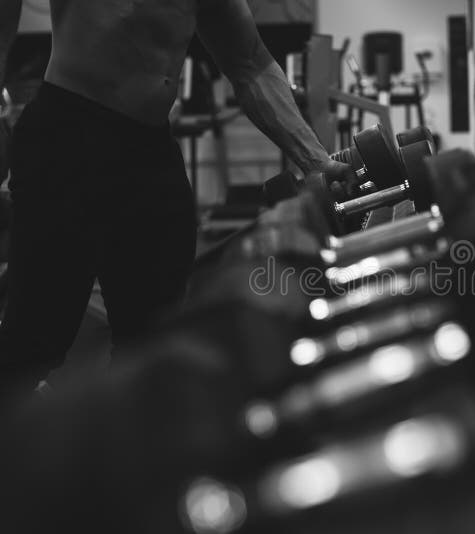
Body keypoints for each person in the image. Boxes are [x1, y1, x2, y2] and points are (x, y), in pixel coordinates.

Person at [0, 0, 349, 404]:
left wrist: (315, 161)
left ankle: (132, 458)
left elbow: (250, 64)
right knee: (34, 340)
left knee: (154, 339)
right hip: (67, 138)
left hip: (148, 151)